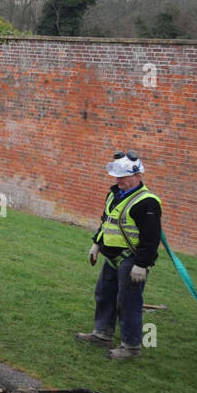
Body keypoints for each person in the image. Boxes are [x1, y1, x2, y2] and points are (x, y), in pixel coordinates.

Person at [75, 151, 163, 360]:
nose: (118, 180)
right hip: (111, 258)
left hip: (131, 260)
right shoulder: (114, 194)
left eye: (122, 177)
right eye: (117, 177)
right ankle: (102, 334)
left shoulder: (147, 202)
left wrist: (142, 264)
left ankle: (131, 347)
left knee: (128, 302)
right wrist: (96, 243)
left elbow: (151, 239)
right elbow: (108, 222)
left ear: (136, 175)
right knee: (104, 295)